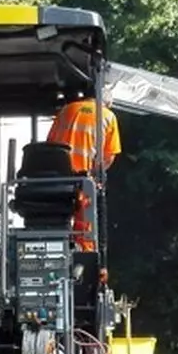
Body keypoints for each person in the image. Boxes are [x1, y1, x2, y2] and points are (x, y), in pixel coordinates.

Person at [46, 87, 121, 252]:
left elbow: (49, 143)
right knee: (85, 226)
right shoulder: (108, 116)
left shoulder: (66, 110)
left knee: (54, 219)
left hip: (54, 179)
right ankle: (85, 255)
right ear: (107, 102)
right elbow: (109, 157)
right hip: (81, 181)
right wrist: (96, 176)